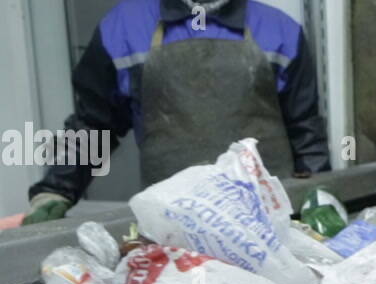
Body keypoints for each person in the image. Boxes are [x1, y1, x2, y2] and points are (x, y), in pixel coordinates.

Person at [23, 0, 330, 225]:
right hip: (171, 229)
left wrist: (321, 195)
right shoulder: (122, 29)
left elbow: (305, 130)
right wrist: (55, 191)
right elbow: (94, 126)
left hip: (271, 225)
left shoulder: (280, 31)